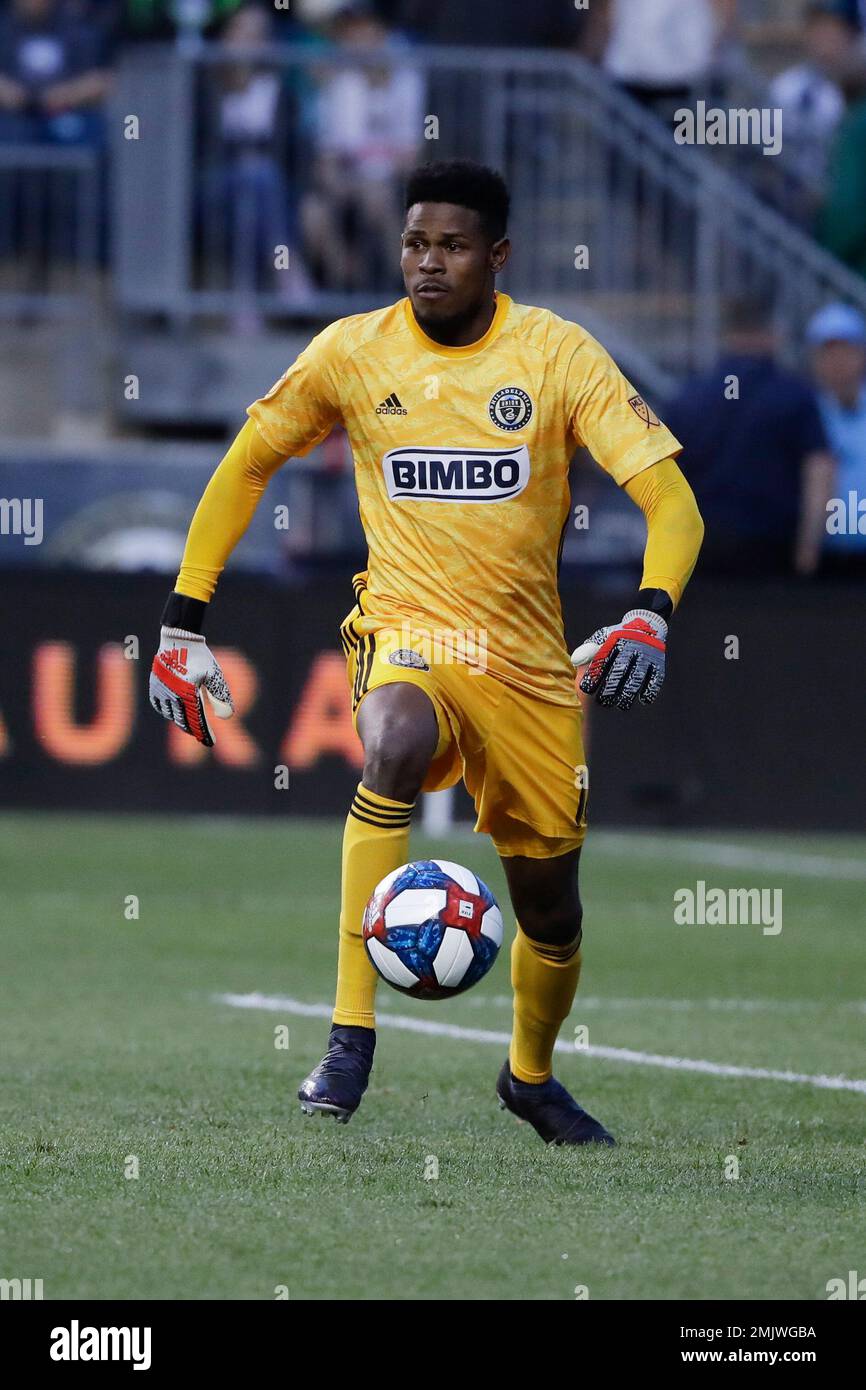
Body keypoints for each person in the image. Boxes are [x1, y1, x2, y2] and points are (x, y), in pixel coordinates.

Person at [148, 160, 703, 1147]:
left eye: (451, 246)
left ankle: (528, 1077)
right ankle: (350, 1034)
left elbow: (670, 501)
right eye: (413, 243)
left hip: (528, 668)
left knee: (551, 909)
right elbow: (246, 465)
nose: (427, 263)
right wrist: (183, 622)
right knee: (392, 742)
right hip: (407, 632)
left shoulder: (556, 355)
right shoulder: (350, 352)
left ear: (497, 256)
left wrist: (652, 613)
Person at [666, 297, 834, 577]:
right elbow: (820, 472)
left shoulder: (687, 396)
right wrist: (809, 550)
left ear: (727, 333)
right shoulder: (795, 396)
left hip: (699, 553)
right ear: (773, 333)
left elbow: (662, 474)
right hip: (774, 552)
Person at [807, 301, 866, 576]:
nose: (838, 362)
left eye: (846, 351)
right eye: (828, 353)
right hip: (826, 561)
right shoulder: (803, 414)